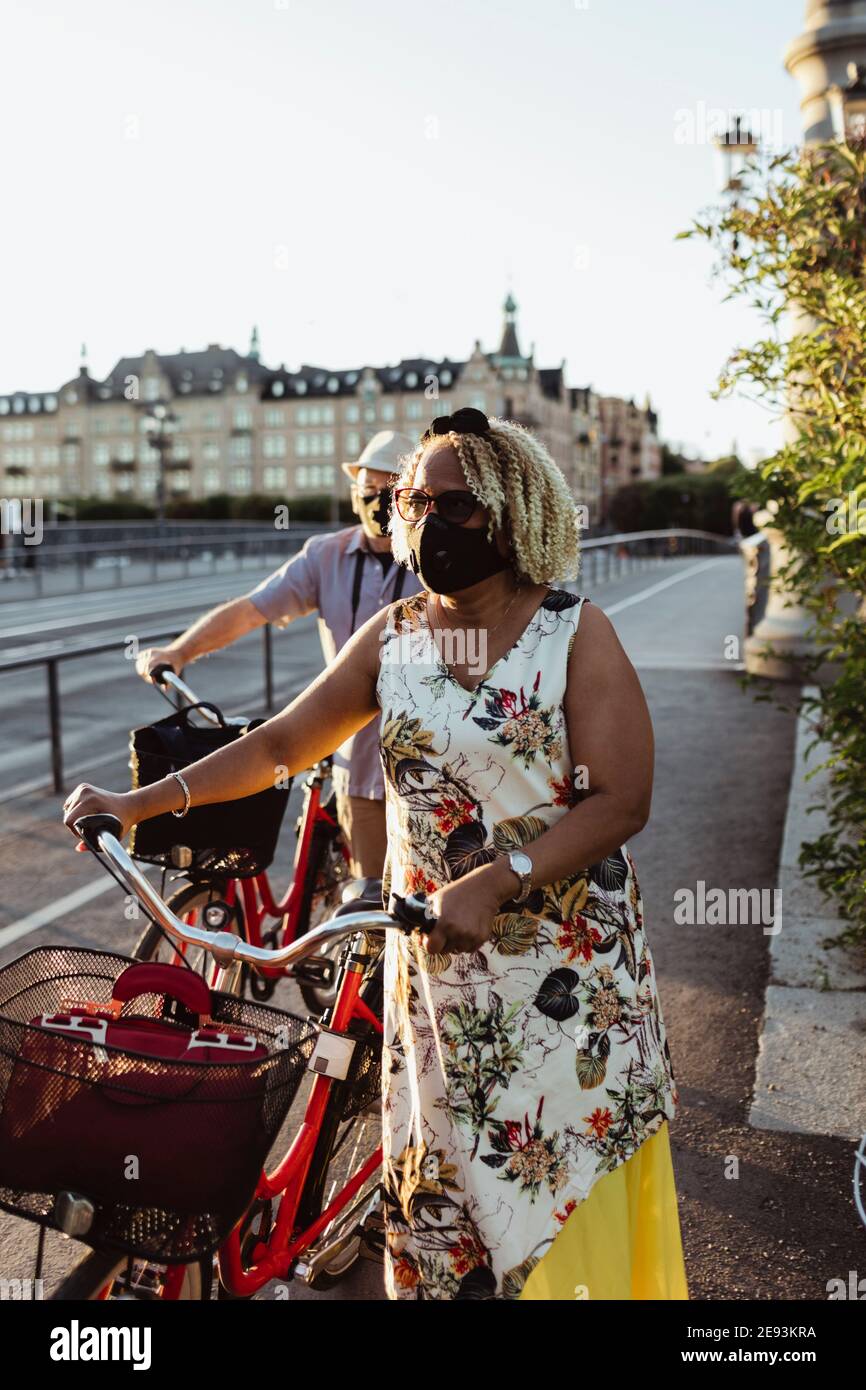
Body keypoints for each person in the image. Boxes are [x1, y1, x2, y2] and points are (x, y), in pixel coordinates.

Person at [65, 407, 687, 1302]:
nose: (430, 522)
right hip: (433, 976)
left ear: (514, 511)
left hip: (567, 987)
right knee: (442, 1219)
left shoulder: (574, 634)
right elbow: (280, 745)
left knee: (557, 1215)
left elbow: (622, 800)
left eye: (456, 505)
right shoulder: (394, 637)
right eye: (412, 502)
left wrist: (502, 877)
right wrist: (138, 803)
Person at [135, 429, 421, 878]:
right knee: (373, 898)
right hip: (359, 765)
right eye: (367, 491)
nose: (377, 503)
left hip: (431, 764)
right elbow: (252, 609)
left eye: (390, 491)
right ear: (352, 496)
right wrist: (180, 650)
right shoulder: (326, 556)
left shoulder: (438, 557)